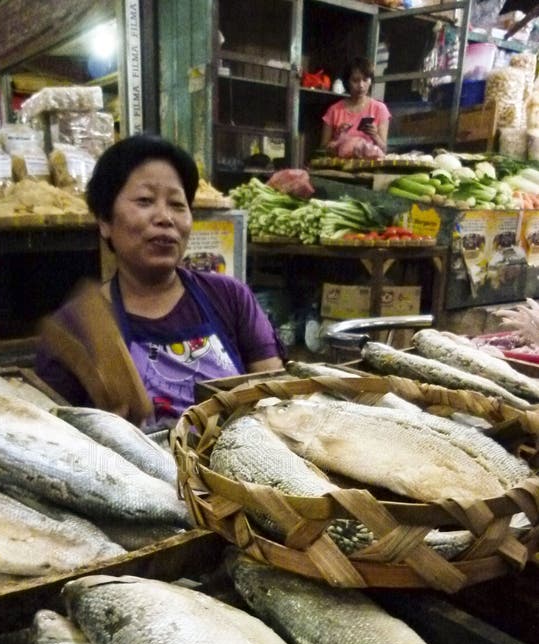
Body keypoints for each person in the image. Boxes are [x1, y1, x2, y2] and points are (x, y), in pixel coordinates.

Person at [35, 134, 284, 429]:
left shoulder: (230, 298)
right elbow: (55, 437)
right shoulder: (75, 327)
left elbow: (276, 399)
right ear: (104, 220)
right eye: (145, 201)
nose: (165, 218)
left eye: (178, 205)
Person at [320, 57, 390, 158]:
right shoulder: (334, 110)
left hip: (369, 169)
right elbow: (322, 150)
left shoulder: (380, 109)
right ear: (347, 82)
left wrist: (375, 136)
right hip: (339, 169)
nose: (361, 85)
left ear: (371, 81)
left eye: (365, 80)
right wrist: (337, 138)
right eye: (355, 80)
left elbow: (384, 150)